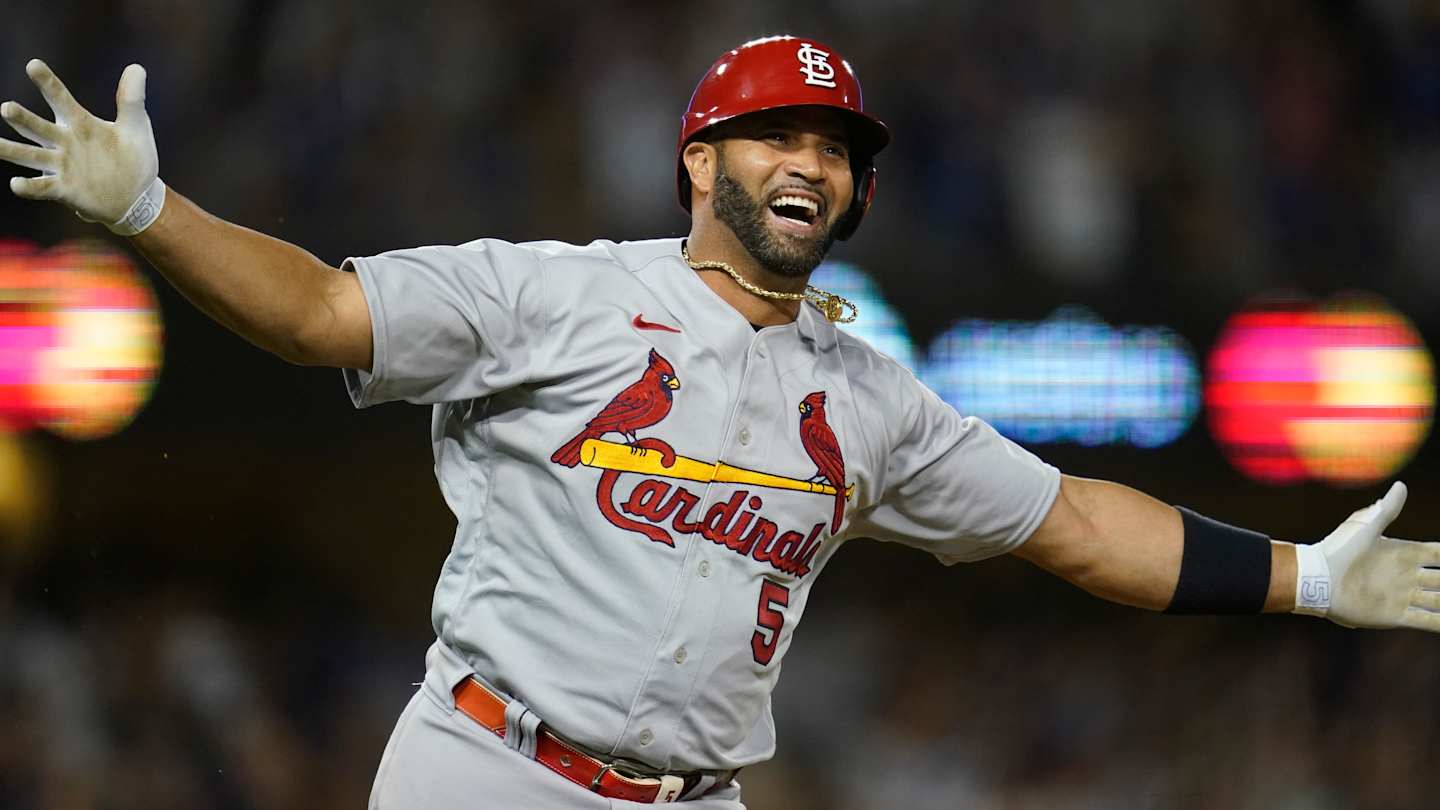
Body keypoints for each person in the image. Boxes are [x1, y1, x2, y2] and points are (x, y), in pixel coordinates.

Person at [3, 35, 1438, 809]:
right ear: (701, 159)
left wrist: (1305, 575)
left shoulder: (872, 399)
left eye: (835, 148)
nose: (809, 162)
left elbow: (1072, 521)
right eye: (776, 136)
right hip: (488, 769)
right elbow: (318, 312)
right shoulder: (553, 297)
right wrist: (149, 210)